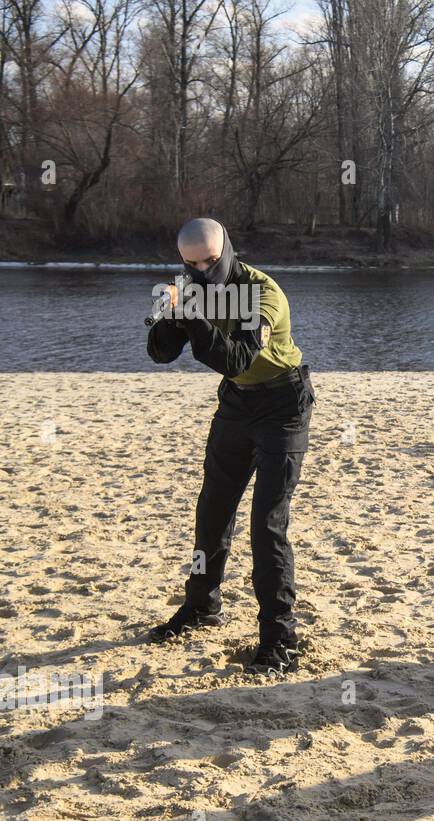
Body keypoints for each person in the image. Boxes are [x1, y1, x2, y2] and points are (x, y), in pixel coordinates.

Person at [147, 218, 314, 673]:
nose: (202, 271)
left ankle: (281, 636)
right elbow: (162, 353)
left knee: (267, 524)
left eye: (211, 261)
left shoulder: (262, 295)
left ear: (228, 250)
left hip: (284, 404)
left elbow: (235, 358)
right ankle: (202, 605)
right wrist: (170, 313)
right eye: (192, 264)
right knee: (213, 510)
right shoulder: (191, 287)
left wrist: (194, 315)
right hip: (237, 404)